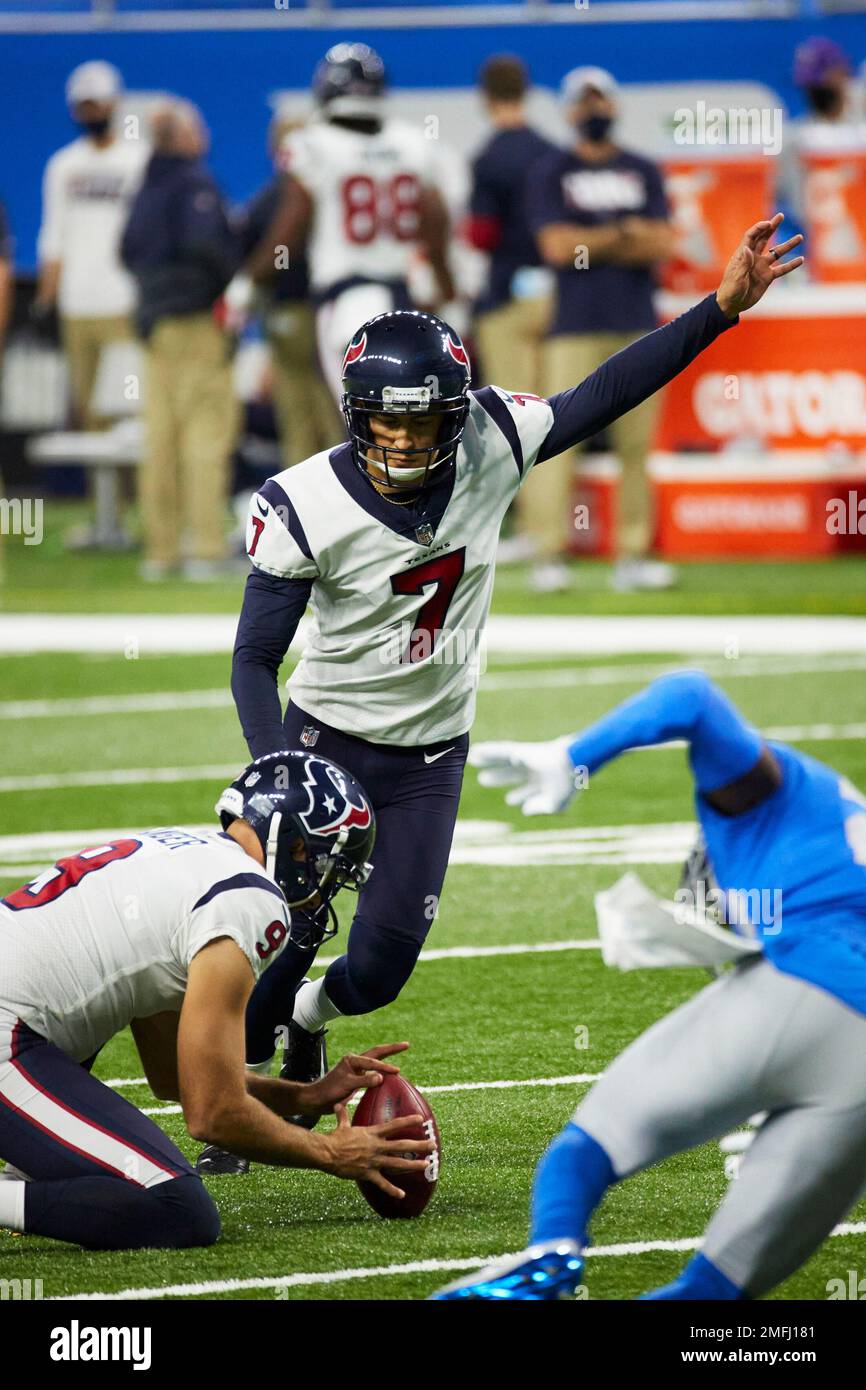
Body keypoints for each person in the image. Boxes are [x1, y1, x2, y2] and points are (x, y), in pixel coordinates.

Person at [205, 214, 803, 1181]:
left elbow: (606, 390)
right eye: (386, 420)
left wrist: (720, 311)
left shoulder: (491, 435)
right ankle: (232, 1105)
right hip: (322, 739)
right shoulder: (301, 500)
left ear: (456, 413)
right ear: (356, 416)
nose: (404, 439)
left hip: (432, 752)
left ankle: (312, 1022)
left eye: (423, 420)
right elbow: (252, 658)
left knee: (385, 960)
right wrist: (276, 766)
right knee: (281, 924)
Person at [434, 670, 866, 1300]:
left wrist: (573, 757)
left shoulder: (762, 790)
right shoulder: (834, 826)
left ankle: (551, 1255)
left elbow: (690, 695)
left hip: (812, 980)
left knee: (582, 1152)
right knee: (712, 1297)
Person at [0, 749, 433, 1249]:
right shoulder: (249, 899)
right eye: (329, 866)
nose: (323, 890)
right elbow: (213, 1115)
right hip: (12, 1031)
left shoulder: (183, 854)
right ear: (296, 846)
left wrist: (303, 1096)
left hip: (23, 1022)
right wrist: (330, 1153)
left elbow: (174, 1077)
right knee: (178, 1210)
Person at [526, 66, 675, 593]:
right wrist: (621, 232)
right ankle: (549, 552)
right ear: (569, 110)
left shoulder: (643, 169)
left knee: (637, 445)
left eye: (600, 101)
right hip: (573, 326)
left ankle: (632, 555)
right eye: (584, 103)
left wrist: (594, 240)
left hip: (636, 324)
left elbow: (661, 242)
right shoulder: (551, 171)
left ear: (614, 106)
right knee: (557, 441)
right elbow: (556, 249)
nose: (593, 111)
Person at [253, 42, 455, 403]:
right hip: (405, 299)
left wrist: (245, 288)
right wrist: (447, 291)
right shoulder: (413, 143)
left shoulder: (311, 144)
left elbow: (291, 226)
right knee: (412, 418)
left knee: (365, 426)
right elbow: (436, 225)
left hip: (347, 301)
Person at [121, 99, 243, 582]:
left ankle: (162, 550)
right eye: (197, 127)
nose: (204, 134)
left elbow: (126, 248)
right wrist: (226, 282)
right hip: (196, 323)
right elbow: (207, 245)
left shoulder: (146, 186)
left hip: (155, 325)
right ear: (182, 138)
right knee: (205, 435)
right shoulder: (195, 183)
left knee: (161, 439)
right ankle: (207, 547)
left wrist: (155, 291)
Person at [467, 55, 558, 568]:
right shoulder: (551, 152)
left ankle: (536, 533)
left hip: (506, 297)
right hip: (557, 297)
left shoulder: (489, 159)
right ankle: (553, 534)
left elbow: (481, 235)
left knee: (515, 420)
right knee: (557, 411)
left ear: (486, 96)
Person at [35, 61, 147, 433]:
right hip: (76, 304)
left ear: (114, 104)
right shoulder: (63, 165)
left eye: (96, 104)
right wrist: (46, 301)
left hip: (123, 302)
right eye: (84, 106)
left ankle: (136, 491)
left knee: (130, 408)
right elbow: (54, 237)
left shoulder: (137, 160)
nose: (91, 113)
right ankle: (105, 493)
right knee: (88, 411)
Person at [241, 110, 341, 470]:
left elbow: (249, 257)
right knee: (332, 415)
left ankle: (303, 508)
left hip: (282, 318)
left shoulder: (264, 202)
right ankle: (343, 502)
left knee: (297, 420)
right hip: (319, 314)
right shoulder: (316, 197)